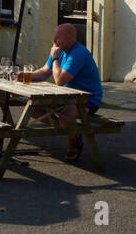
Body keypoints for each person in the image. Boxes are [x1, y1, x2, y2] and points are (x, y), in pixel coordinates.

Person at [30, 22, 102, 162]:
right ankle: (74, 132)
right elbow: (44, 72)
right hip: (66, 97)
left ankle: (72, 141)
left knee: (65, 117)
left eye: (58, 38)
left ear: (70, 38)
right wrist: (25, 75)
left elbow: (60, 80)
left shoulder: (77, 53)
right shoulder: (59, 49)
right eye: (54, 37)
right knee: (34, 109)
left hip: (87, 99)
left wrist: (55, 58)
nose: (54, 41)